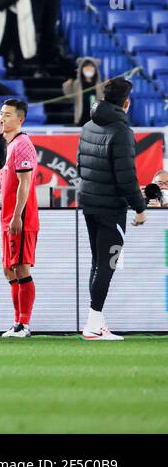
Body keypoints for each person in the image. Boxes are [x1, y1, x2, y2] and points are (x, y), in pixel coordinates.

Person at [76, 77, 150, 340]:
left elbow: (80, 167)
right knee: (108, 264)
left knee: (98, 263)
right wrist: (140, 208)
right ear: (126, 103)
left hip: (89, 203)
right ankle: (93, 324)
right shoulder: (122, 132)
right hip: (111, 208)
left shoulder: (87, 126)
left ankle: (97, 322)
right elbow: (126, 177)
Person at [0, 99, 39, 338]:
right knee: (8, 269)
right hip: (7, 217)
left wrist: (17, 216)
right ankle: (17, 322)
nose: (3, 118)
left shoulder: (23, 145)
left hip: (21, 218)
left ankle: (24, 324)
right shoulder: (8, 144)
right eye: (2, 113)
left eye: (8, 115)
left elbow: (25, 183)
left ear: (20, 119)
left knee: (21, 267)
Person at [62, 56, 104, 126]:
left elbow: (102, 98)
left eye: (91, 68)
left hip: (95, 116)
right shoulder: (77, 83)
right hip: (81, 116)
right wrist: (67, 86)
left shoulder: (99, 84)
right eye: (86, 68)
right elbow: (70, 96)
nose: (88, 70)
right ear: (81, 70)